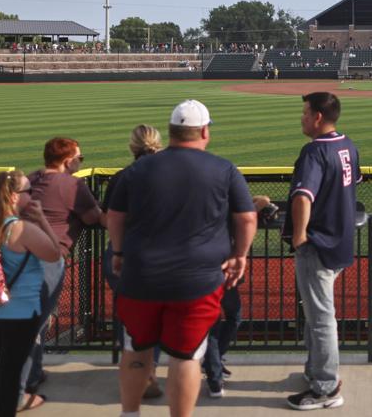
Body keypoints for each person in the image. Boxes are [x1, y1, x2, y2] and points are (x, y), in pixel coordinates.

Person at [107, 99, 256, 417]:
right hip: (197, 281)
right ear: (204, 132)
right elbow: (246, 218)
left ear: (172, 131)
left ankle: (129, 413)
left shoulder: (137, 169)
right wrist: (240, 255)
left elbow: (115, 216)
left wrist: (118, 252)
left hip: (141, 276)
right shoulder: (224, 169)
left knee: (136, 350)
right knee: (186, 356)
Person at [283, 92, 361, 410]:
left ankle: (326, 387)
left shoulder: (314, 151)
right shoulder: (348, 145)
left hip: (318, 244)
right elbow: (350, 184)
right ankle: (316, 371)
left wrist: (300, 235)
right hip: (340, 241)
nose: (301, 118)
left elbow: (303, 196)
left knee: (320, 319)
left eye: (305, 113)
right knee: (317, 314)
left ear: (317, 117)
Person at [19, 138, 105, 407]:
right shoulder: (71, 184)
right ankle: (23, 386)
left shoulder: (32, 178)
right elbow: (94, 217)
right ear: (68, 162)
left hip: (18, 254)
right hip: (46, 258)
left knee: (31, 318)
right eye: (80, 158)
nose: (81, 162)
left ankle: (32, 373)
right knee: (36, 321)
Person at [0, 171, 61, 416]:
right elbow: (54, 254)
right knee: (11, 373)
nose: (32, 196)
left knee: (5, 365)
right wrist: (42, 219)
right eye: (28, 191)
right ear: (13, 197)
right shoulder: (20, 228)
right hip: (21, 311)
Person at [102, 125, 165, 401]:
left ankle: (133, 369)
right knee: (157, 314)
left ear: (132, 147)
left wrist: (118, 251)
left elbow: (109, 218)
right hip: (160, 253)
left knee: (127, 313)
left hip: (124, 251)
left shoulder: (122, 176)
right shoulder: (169, 174)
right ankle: (150, 370)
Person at [203, 193, 274, 399]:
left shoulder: (209, 204)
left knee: (228, 318)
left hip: (211, 267)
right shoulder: (229, 207)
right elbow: (262, 201)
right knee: (221, 321)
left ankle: (214, 363)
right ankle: (214, 375)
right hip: (221, 268)